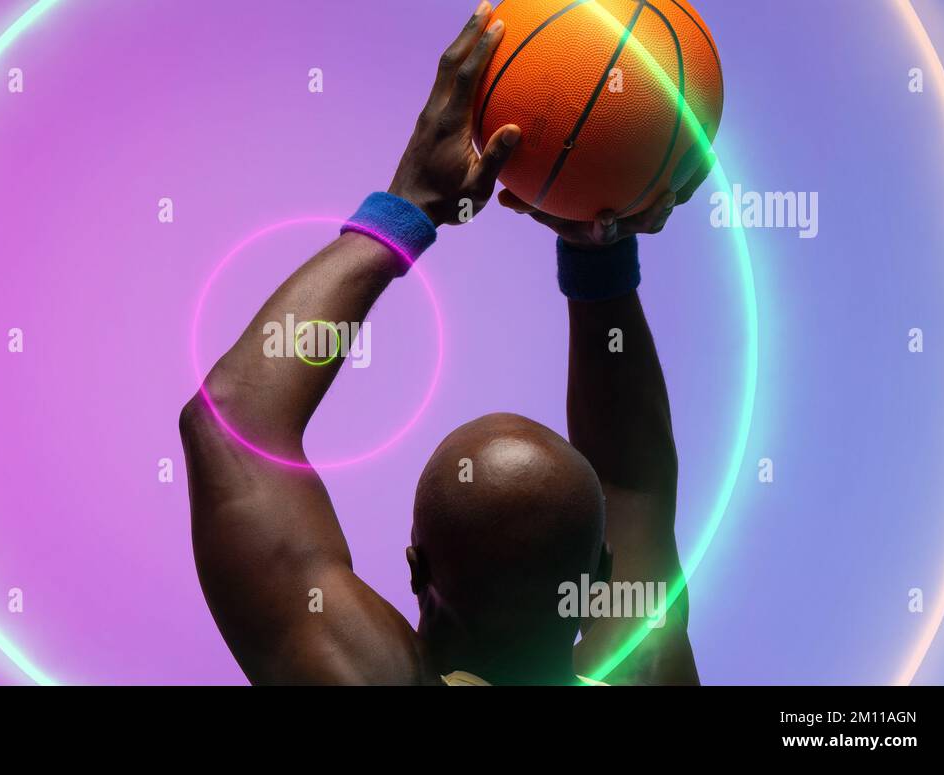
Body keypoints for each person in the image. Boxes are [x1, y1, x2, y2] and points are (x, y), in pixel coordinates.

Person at [179, 1, 705, 685]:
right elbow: (635, 489)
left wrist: (409, 206)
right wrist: (597, 243)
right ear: (604, 580)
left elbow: (228, 421)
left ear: (416, 568)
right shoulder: (648, 664)